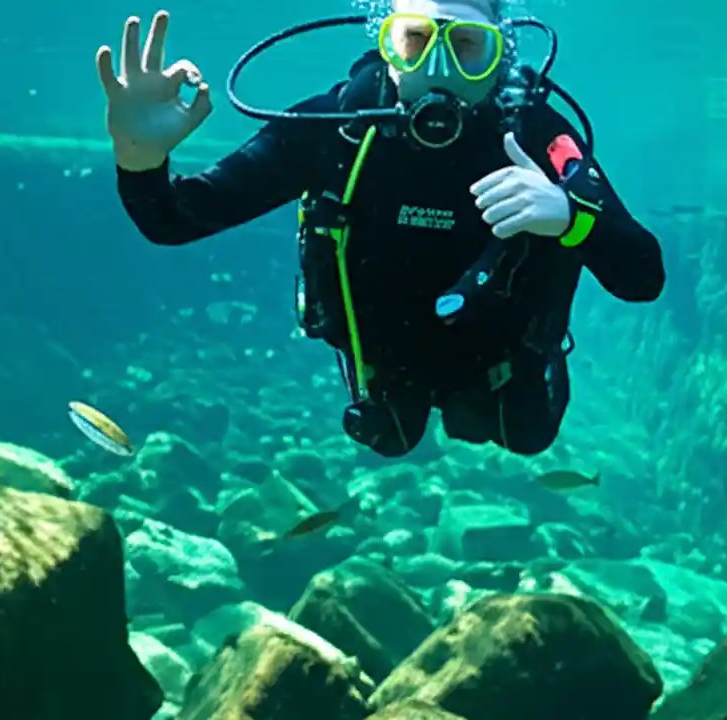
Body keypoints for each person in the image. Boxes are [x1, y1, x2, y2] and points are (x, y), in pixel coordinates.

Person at [95, 0, 665, 458]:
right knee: (390, 439)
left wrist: (570, 218)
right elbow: (170, 220)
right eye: (415, 40)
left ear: (499, 56)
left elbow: (643, 274)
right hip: (386, 369)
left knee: (527, 436)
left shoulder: (537, 135)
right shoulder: (335, 128)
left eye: (468, 47)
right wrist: (140, 159)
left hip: (504, 367)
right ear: (385, 42)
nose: (439, 69)